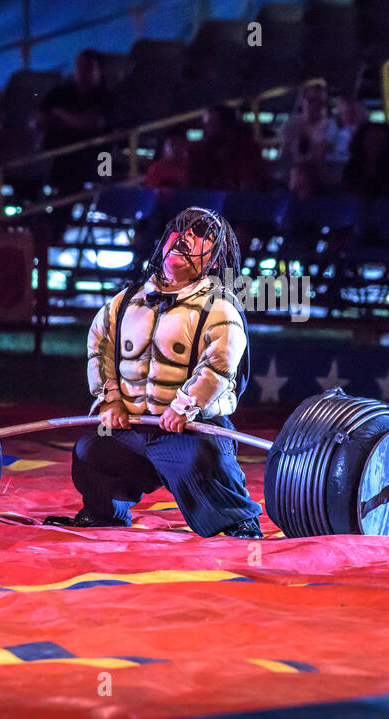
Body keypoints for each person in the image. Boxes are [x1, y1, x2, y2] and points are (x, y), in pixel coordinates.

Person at [44, 206, 263, 539]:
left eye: (201, 234)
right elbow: (100, 347)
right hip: (133, 427)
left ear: (214, 260)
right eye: (180, 229)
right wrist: (110, 400)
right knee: (92, 450)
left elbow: (219, 364)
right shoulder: (124, 302)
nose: (186, 237)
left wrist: (185, 406)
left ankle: (235, 520)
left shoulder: (219, 308)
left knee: (200, 461)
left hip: (189, 429)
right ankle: (103, 513)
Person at [36, 48, 114, 197]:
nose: (82, 72)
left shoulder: (107, 97)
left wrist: (61, 114)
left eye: (88, 68)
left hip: (99, 155)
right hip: (59, 154)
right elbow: (40, 120)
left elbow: (93, 123)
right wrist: (75, 121)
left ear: (100, 71)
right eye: (79, 67)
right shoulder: (61, 93)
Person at [188, 104, 264, 192]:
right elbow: (193, 184)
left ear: (227, 126)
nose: (207, 129)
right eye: (206, 124)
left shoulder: (247, 149)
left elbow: (251, 182)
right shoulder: (198, 151)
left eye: (213, 124)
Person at [279, 82, 332, 173]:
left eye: (320, 102)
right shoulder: (291, 125)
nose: (315, 106)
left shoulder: (331, 127)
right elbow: (285, 154)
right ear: (302, 101)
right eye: (311, 100)